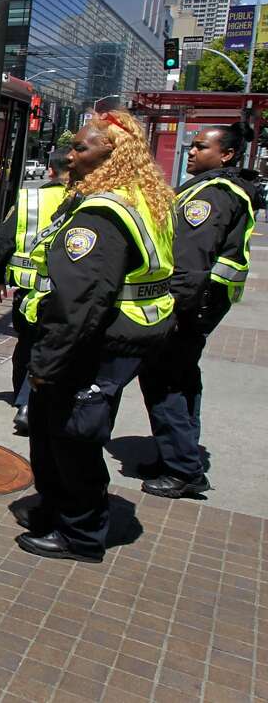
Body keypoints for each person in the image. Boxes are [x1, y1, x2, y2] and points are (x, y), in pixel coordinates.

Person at [15, 111, 176, 563]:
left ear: (111, 152)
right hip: (123, 337)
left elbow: (79, 304)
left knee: (72, 437)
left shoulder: (103, 212)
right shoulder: (142, 197)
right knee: (61, 431)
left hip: (96, 344)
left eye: (81, 147)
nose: (71, 154)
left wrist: (45, 366)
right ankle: (59, 510)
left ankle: (81, 535)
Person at [137, 123, 258, 498]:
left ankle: (182, 470)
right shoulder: (217, 188)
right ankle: (177, 456)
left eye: (201, 146)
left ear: (227, 155)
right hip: (201, 304)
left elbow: (191, 262)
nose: (191, 151)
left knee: (165, 381)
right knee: (183, 379)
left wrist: (171, 313)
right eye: (192, 145)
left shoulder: (214, 196)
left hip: (189, 306)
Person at [0, 147, 71, 435]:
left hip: (30, 293)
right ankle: (29, 402)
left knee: (28, 345)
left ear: (50, 171)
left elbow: (2, 243)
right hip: (71, 296)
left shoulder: (31, 199)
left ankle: (23, 402)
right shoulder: (92, 201)